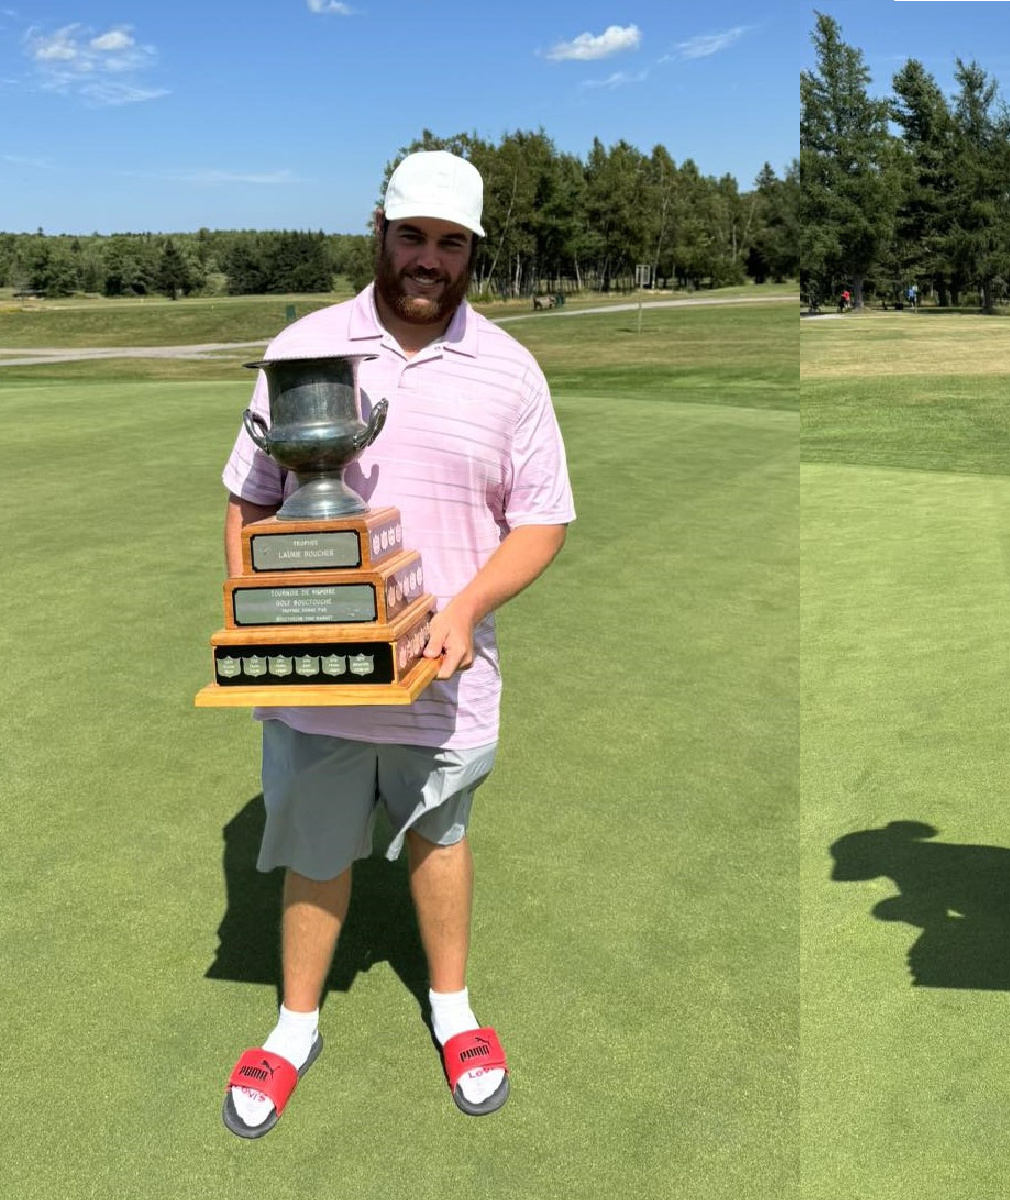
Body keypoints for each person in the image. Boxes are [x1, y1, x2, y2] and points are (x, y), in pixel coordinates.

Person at [218, 149, 575, 1135]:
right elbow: (250, 495)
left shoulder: (509, 367)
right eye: (412, 236)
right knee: (317, 848)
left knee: (438, 837)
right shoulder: (306, 345)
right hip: (319, 674)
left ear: (472, 254)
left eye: (449, 243)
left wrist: (462, 611)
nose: (428, 258)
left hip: (448, 670)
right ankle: (295, 1027)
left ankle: (452, 1009)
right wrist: (260, 610)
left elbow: (542, 519)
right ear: (377, 230)